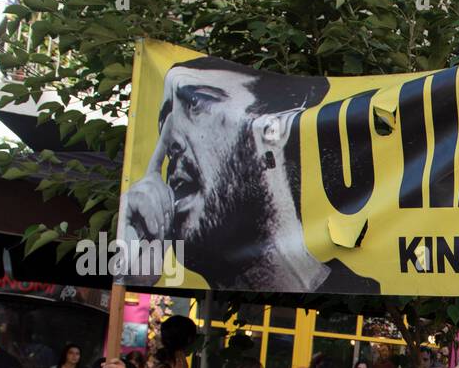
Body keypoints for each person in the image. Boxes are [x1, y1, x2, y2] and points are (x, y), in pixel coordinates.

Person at [120, 56, 381, 295]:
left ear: (273, 129)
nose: (170, 141)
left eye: (196, 103)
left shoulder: (361, 296)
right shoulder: (190, 295)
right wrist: (135, 277)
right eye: (164, 118)